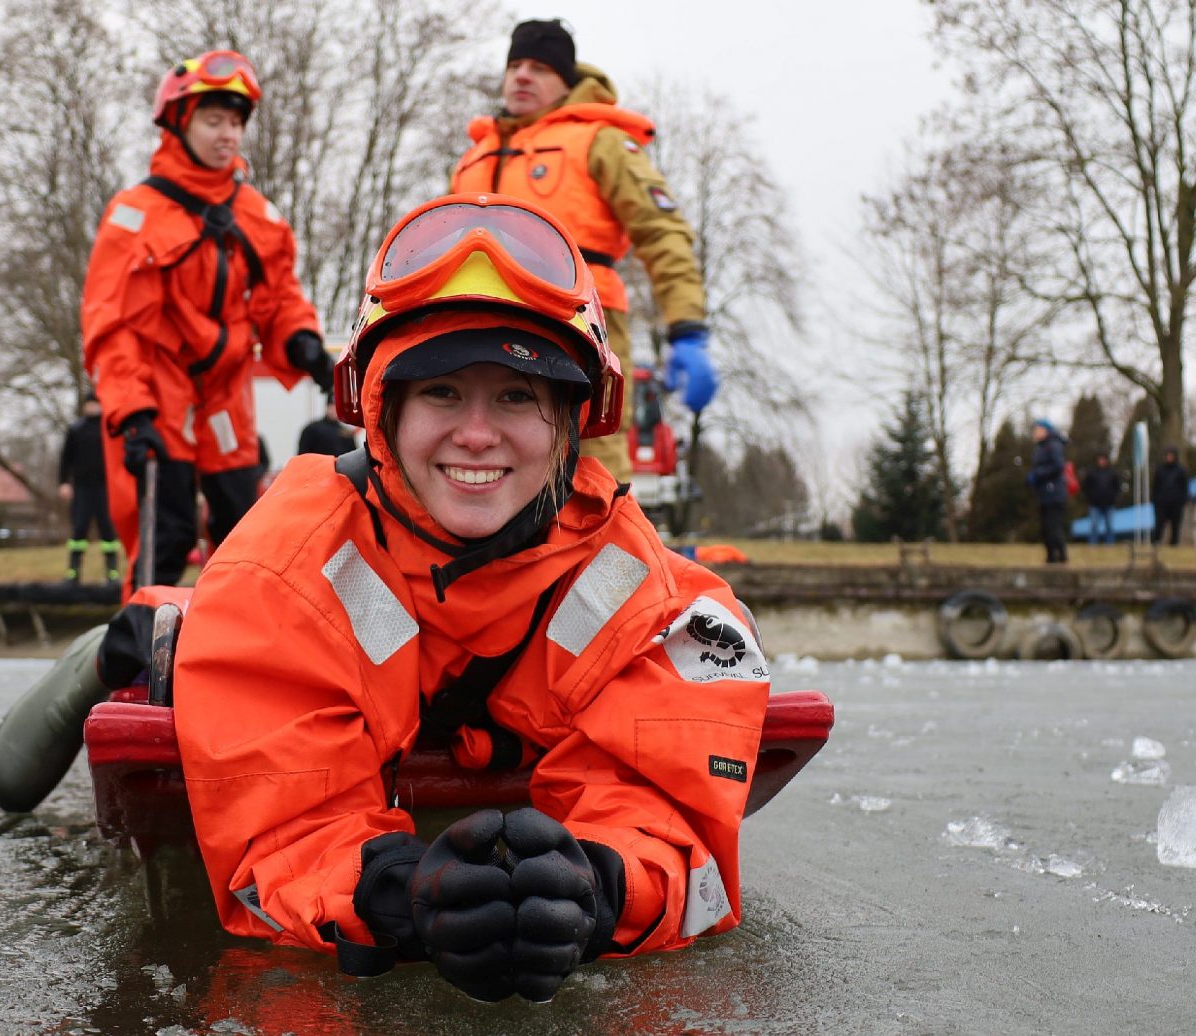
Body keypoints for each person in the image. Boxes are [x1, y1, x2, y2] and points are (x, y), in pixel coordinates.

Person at [173, 194, 771, 1003]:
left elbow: (672, 820)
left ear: (569, 420)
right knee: (166, 629)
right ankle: (145, 626)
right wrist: (388, 897)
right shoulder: (283, 567)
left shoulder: (648, 594)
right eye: (443, 393)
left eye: (518, 396)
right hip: (224, 639)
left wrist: (599, 890)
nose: (478, 434)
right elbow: (279, 831)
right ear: (385, 409)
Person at [81, 50, 328, 596]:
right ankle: (140, 658)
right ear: (179, 122)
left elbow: (280, 298)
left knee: (245, 528)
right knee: (163, 537)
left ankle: (235, 642)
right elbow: (113, 327)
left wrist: (307, 346)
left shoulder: (259, 218)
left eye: (237, 122)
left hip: (224, 399)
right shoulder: (135, 215)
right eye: (215, 120)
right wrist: (131, 411)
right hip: (160, 392)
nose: (229, 134)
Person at [450, 18, 713, 483]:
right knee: (479, 454)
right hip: (479, 330)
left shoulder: (601, 141)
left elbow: (663, 231)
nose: (522, 76)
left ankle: (605, 554)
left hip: (581, 328)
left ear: (566, 81)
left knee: (591, 467)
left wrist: (686, 327)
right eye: (514, 65)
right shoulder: (476, 155)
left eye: (539, 67)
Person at [57, 391, 122, 583]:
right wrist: (63, 482)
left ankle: (112, 573)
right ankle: (73, 573)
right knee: (79, 530)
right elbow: (65, 458)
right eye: (90, 404)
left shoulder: (109, 429)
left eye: (95, 404)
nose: (92, 407)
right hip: (82, 488)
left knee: (107, 530)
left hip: (105, 488)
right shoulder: (76, 429)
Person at [1027, 418, 1069, 563]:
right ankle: (1051, 556)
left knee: (1053, 525)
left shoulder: (1053, 446)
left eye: (1038, 429)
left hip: (1054, 493)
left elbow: (1058, 466)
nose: (1035, 433)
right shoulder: (1040, 448)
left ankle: (1061, 555)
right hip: (1044, 493)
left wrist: (1038, 474)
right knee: (1045, 527)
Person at [1152, 446, 1191, 546]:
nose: (1169, 457)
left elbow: (1185, 487)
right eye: (1167, 455)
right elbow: (1155, 486)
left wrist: (1183, 500)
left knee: (1175, 526)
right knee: (1159, 524)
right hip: (1161, 503)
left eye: (1171, 455)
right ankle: (1156, 544)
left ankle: (1174, 545)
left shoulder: (1181, 470)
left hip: (1176, 504)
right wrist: (1156, 500)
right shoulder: (1160, 470)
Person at [1080, 452, 1121, 546]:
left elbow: (1117, 487)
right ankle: (1093, 544)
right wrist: (1090, 497)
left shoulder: (1112, 473)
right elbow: (1086, 487)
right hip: (1095, 504)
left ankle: (1110, 544)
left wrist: (1113, 498)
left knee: (1109, 525)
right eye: (1100, 459)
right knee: (1094, 525)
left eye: (1103, 459)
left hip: (1109, 504)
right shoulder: (1091, 473)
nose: (1101, 461)